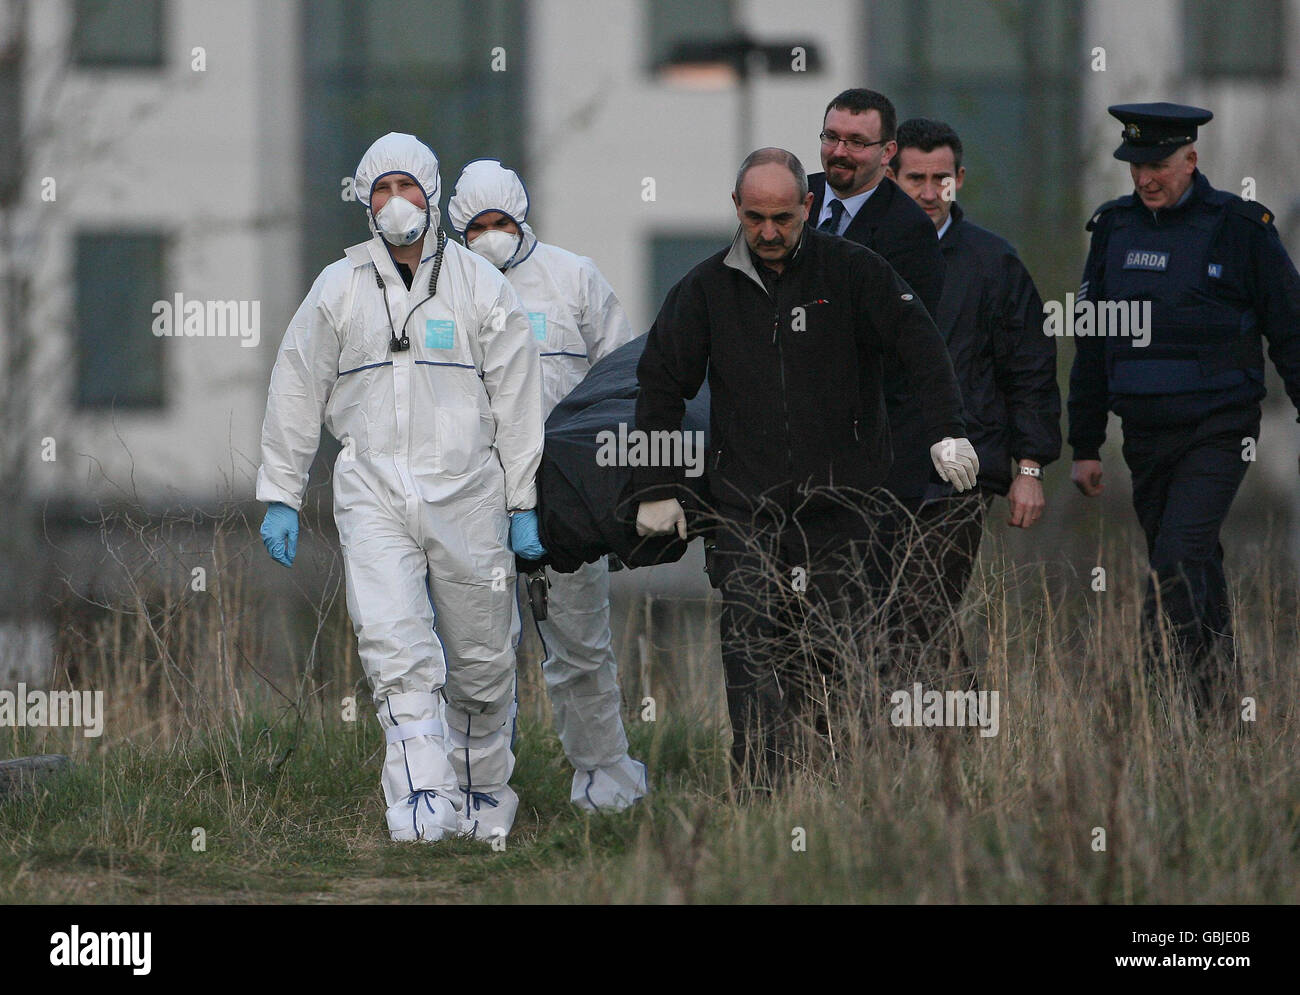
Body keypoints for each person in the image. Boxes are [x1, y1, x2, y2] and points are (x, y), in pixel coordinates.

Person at [632, 147, 978, 787]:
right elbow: (658, 384)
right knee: (752, 653)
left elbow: (921, 348)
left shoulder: (854, 273)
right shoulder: (706, 289)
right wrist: (658, 486)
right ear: (736, 208)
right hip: (746, 509)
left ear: (808, 208)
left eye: (783, 218)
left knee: (840, 655)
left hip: (843, 508)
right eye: (756, 217)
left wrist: (947, 433)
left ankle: (837, 792)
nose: (768, 232)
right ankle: (762, 796)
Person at [256, 133, 544, 842]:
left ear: (433, 195)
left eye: (406, 188)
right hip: (374, 488)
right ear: (363, 200)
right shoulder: (339, 286)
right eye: (379, 189)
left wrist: (523, 501)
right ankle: (419, 804)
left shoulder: (479, 285)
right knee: (396, 650)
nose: (394, 203)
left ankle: (480, 794)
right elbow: (297, 383)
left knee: (481, 659)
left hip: (469, 492)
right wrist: (281, 491)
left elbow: (517, 398)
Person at [1068, 103, 1300, 713]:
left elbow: (1290, 329)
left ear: (1191, 160)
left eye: (1158, 165)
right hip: (1144, 432)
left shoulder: (1242, 228)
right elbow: (1092, 339)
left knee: (1175, 560)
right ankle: (1219, 710)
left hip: (1220, 429)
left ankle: (1160, 688)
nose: (1146, 178)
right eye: (1136, 166)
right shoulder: (1114, 229)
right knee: (1196, 566)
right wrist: (1085, 443)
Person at [446, 158, 649, 812]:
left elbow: (622, 382)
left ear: (522, 217)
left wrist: (615, 497)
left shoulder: (573, 279)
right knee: (476, 654)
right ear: (457, 227)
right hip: (470, 502)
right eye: (478, 225)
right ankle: (473, 791)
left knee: (582, 649)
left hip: (564, 500)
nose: (492, 235)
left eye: (503, 222)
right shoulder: (435, 292)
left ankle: (605, 784)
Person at [888, 117, 1061, 680]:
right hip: (880, 468)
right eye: (916, 177)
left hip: (964, 470)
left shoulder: (995, 262)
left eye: (942, 178)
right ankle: (949, 735)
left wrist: (1030, 465)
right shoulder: (861, 257)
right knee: (896, 611)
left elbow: (1030, 367)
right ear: (890, 178)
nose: (929, 191)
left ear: (959, 179)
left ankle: (949, 735)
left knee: (921, 600)